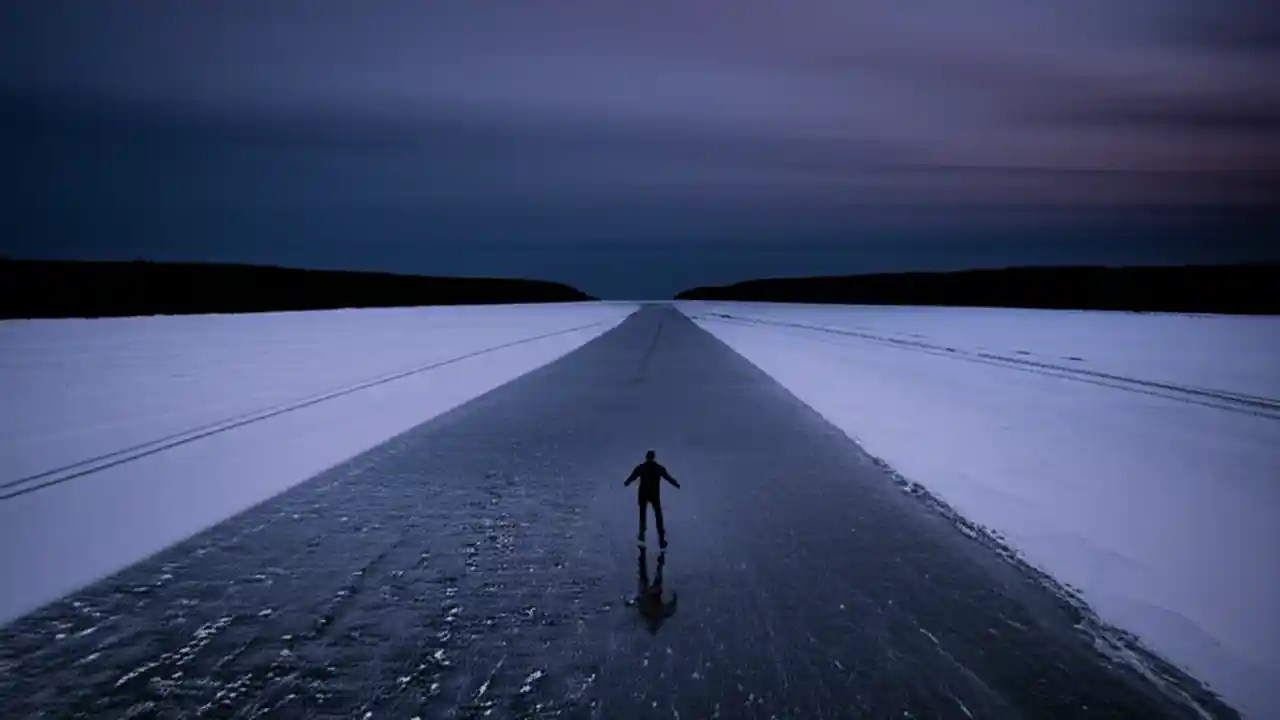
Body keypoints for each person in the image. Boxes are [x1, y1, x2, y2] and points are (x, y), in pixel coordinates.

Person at [624, 449, 680, 548]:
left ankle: (642, 534)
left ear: (646, 458)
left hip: (643, 494)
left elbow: (633, 476)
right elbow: (668, 478)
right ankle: (661, 538)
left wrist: (627, 482)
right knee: (658, 515)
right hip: (654, 494)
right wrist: (676, 484)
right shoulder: (659, 468)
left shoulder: (641, 468)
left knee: (643, 514)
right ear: (653, 458)